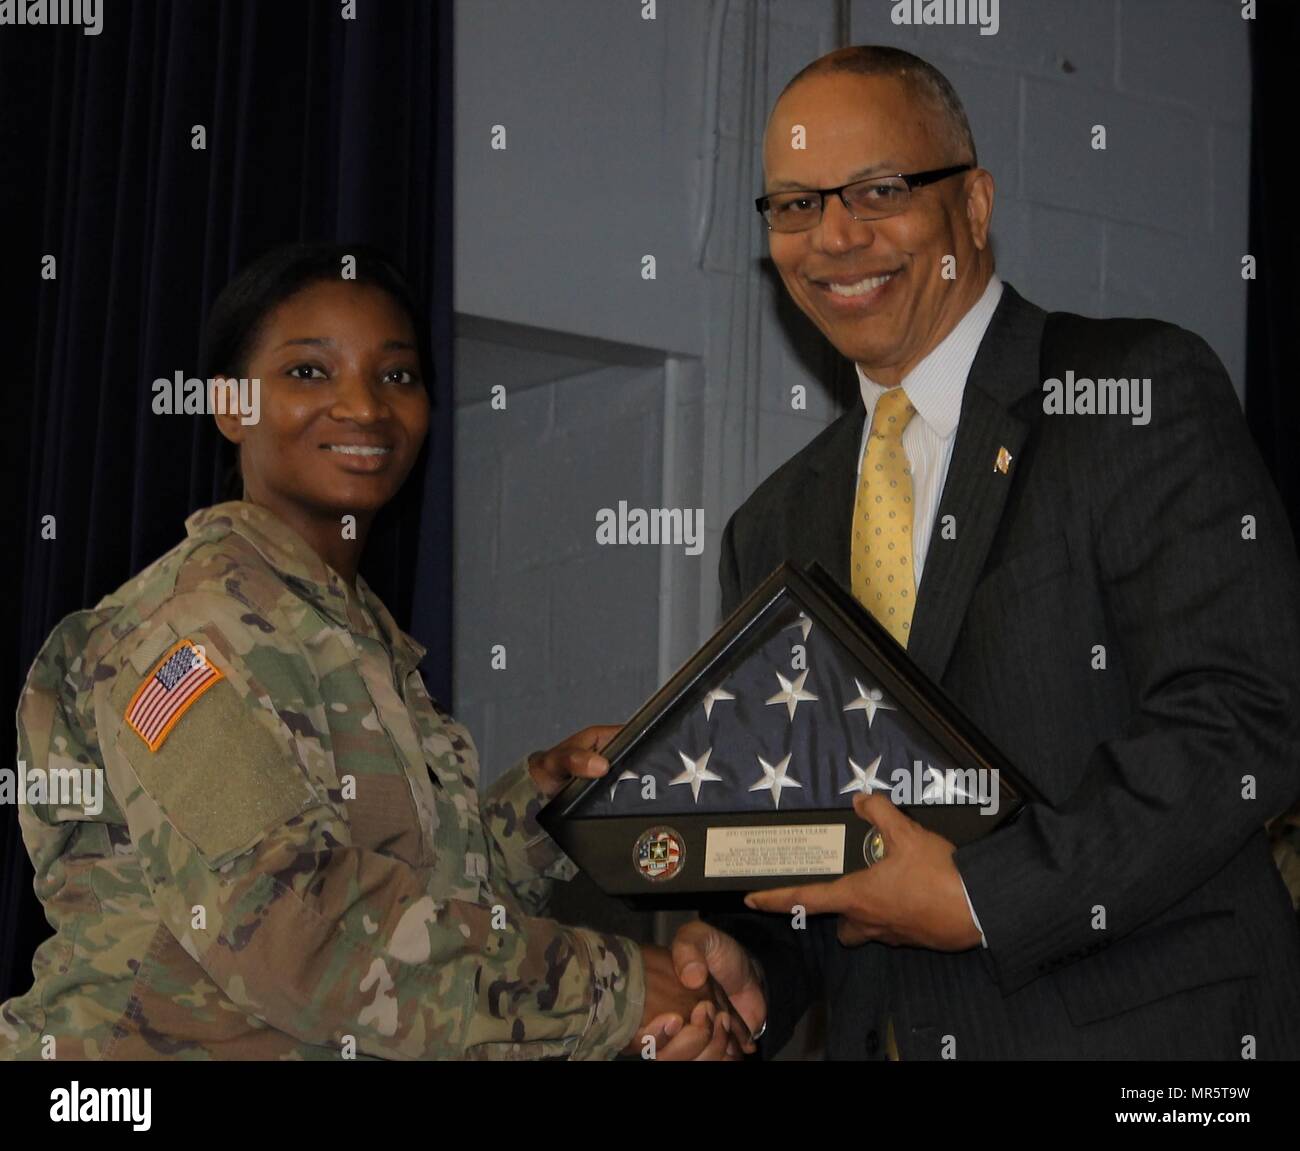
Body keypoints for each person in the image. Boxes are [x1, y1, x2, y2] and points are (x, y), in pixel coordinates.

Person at [672, 46, 1300, 1060]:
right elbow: (819, 837)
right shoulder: (772, 523)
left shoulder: (1132, 392)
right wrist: (761, 967)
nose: (834, 235)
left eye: (879, 189)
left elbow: (1245, 716)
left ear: (972, 203)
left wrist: (982, 894)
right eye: (793, 205)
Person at [1, 243, 743, 1061]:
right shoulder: (184, 631)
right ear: (230, 406)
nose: (364, 406)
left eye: (397, 376)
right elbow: (292, 928)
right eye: (309, 373)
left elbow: (417, 893)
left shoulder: (349, 632)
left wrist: (536, 808)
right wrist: (620, 988)